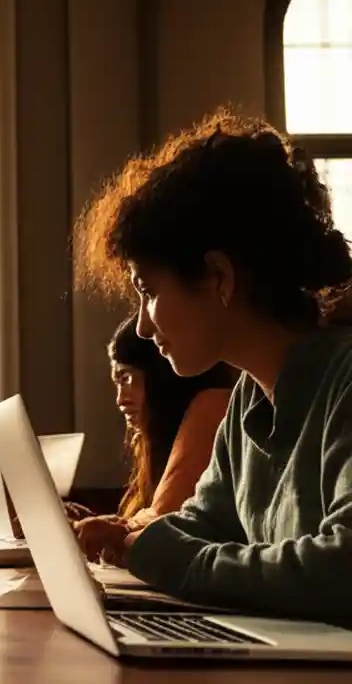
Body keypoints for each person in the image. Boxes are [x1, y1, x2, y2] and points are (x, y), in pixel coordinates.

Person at [72, 110, 352, 619]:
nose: (142, 327)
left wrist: (166, 557)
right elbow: (203, 524)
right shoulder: (249, 395)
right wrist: (125, 537)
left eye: (148, 292)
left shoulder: (345, 379)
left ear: (219, 277)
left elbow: (343, 570)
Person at [72, 314, 235, 561]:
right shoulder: (160, 437)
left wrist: (99, 530)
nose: (120, 399)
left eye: (126, 378)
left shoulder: (213, 405)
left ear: (160, 374)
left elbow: (164, 520)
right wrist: (91, 524)